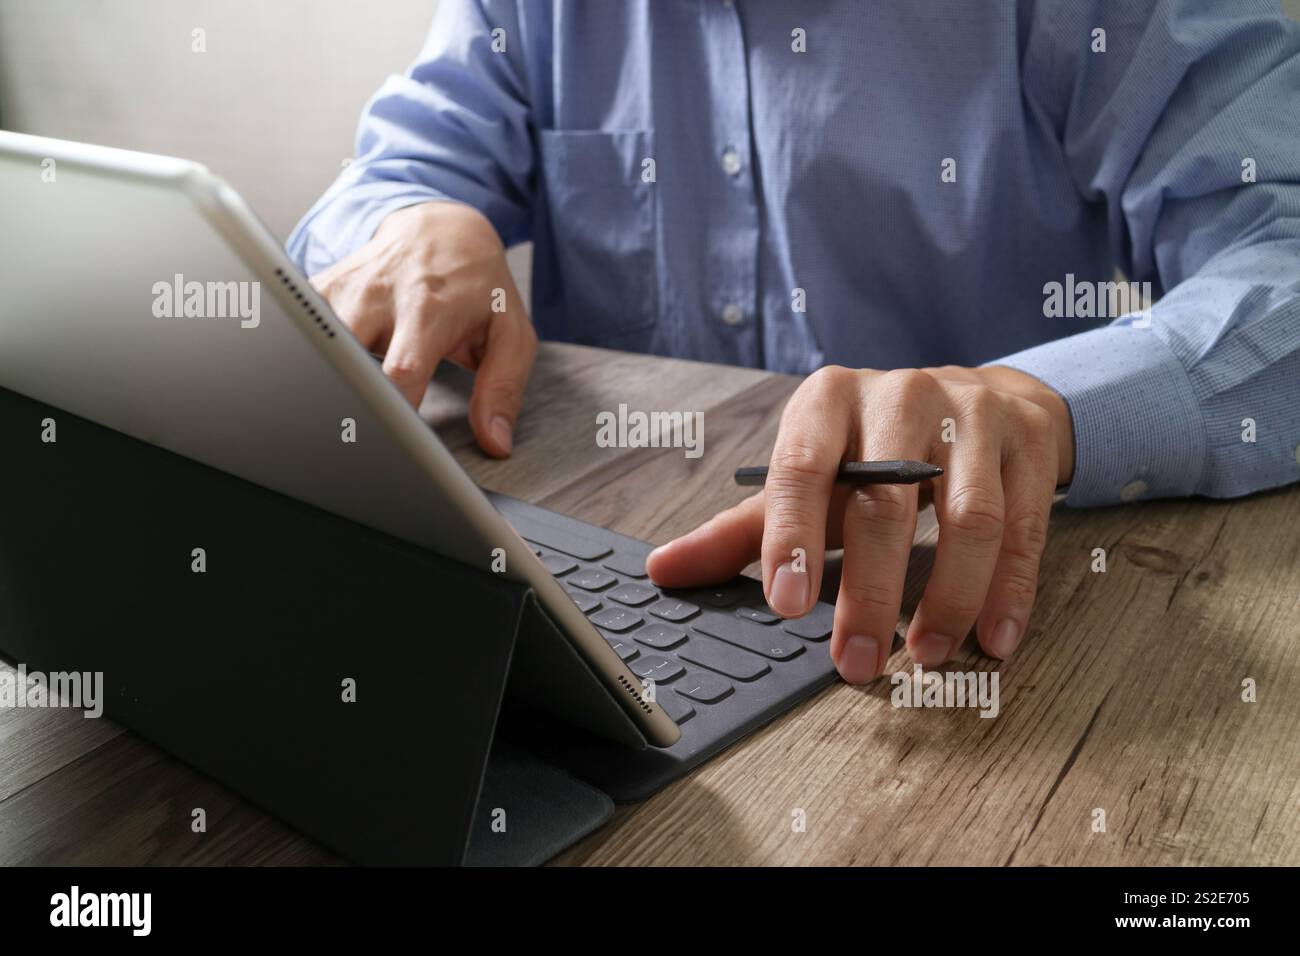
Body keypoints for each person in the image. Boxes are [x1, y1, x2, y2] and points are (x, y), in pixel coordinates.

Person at [289, 1, 1300, 684]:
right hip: (565, 617)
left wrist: (1044, 403)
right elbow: (384, 186)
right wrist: (408, 223)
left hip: (979, 638)